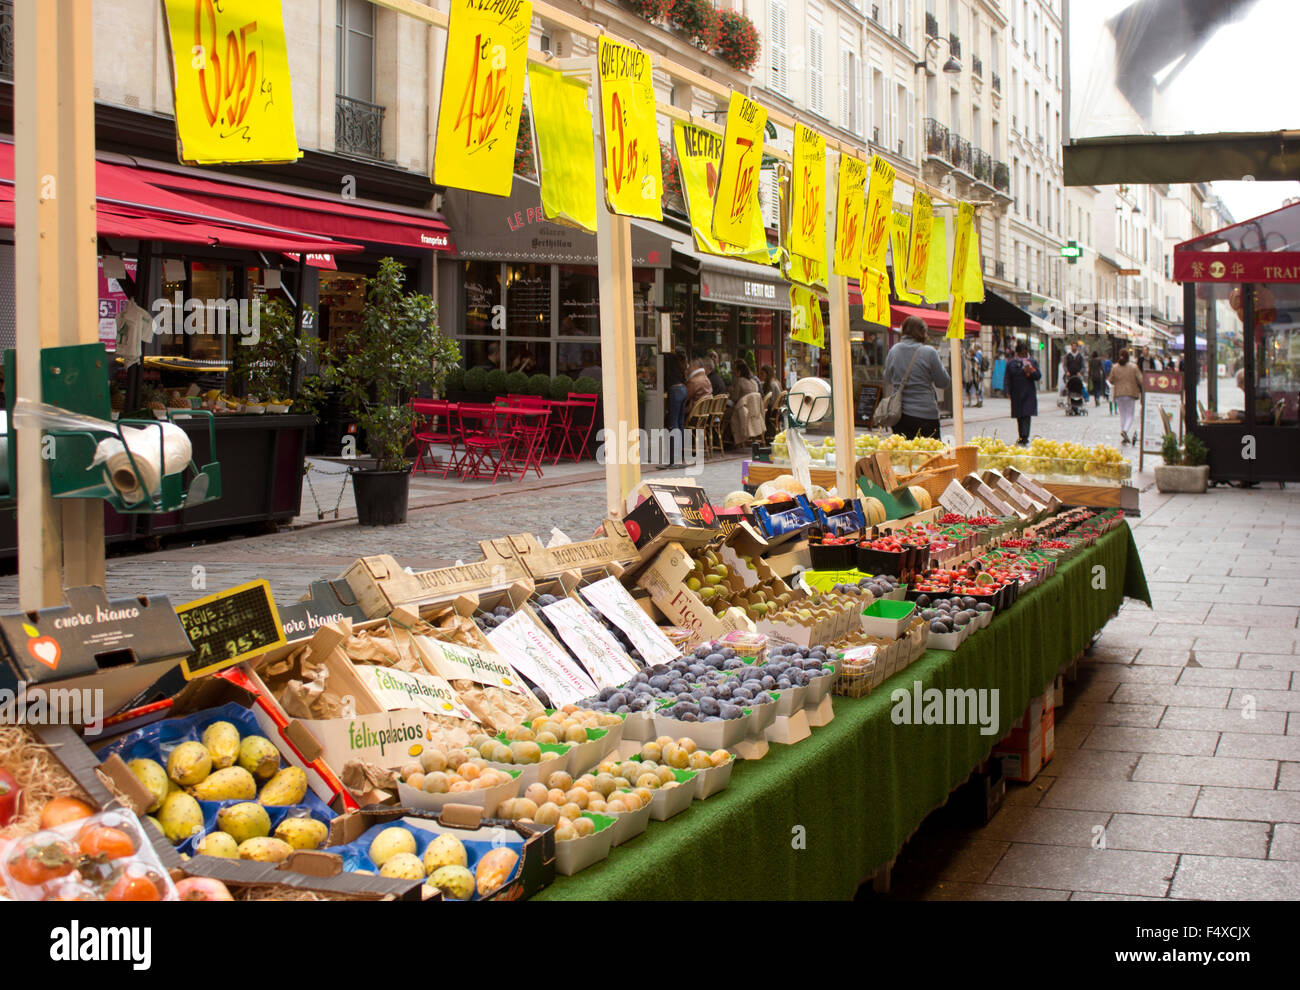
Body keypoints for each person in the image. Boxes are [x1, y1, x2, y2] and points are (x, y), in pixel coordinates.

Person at [882, 316, 950, 439]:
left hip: (899, 415)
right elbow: (943, 382)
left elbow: (887, 378)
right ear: (922, 332)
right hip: (926, 414)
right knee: (930, 454)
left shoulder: (894, 351)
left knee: (905, 455)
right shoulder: (929, 352)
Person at [1007, 340, 1042, 445]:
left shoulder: (1032, 362)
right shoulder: (1012, 363)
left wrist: (1031, 371)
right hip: (1016, 392)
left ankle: (1025, 437)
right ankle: (1021, 435)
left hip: (1028, 392)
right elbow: (1008, 377)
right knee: (1019, 415)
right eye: (1021, 353)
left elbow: (1038, 376)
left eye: (1025, 353)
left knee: (1026, 414)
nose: (1023, 355)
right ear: (1017, 353)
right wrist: (1007, 390)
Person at [1108, 348, 1144, 445]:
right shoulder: (1133, 367)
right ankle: (1125, 430)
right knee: (1130, 415)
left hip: (1118, 393)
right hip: (1130, 393)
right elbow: (1141, 380)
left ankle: (1124, 432)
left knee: (1123, 415)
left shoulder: (1115, 367)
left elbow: (1110, 380)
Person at [664, 346, 688, 465]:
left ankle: (673, 455)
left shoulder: (668, 358)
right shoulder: (682, 363)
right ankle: (679, 452)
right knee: (680, 422)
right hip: (683, 389)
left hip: (675, 390)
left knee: (673, 423)